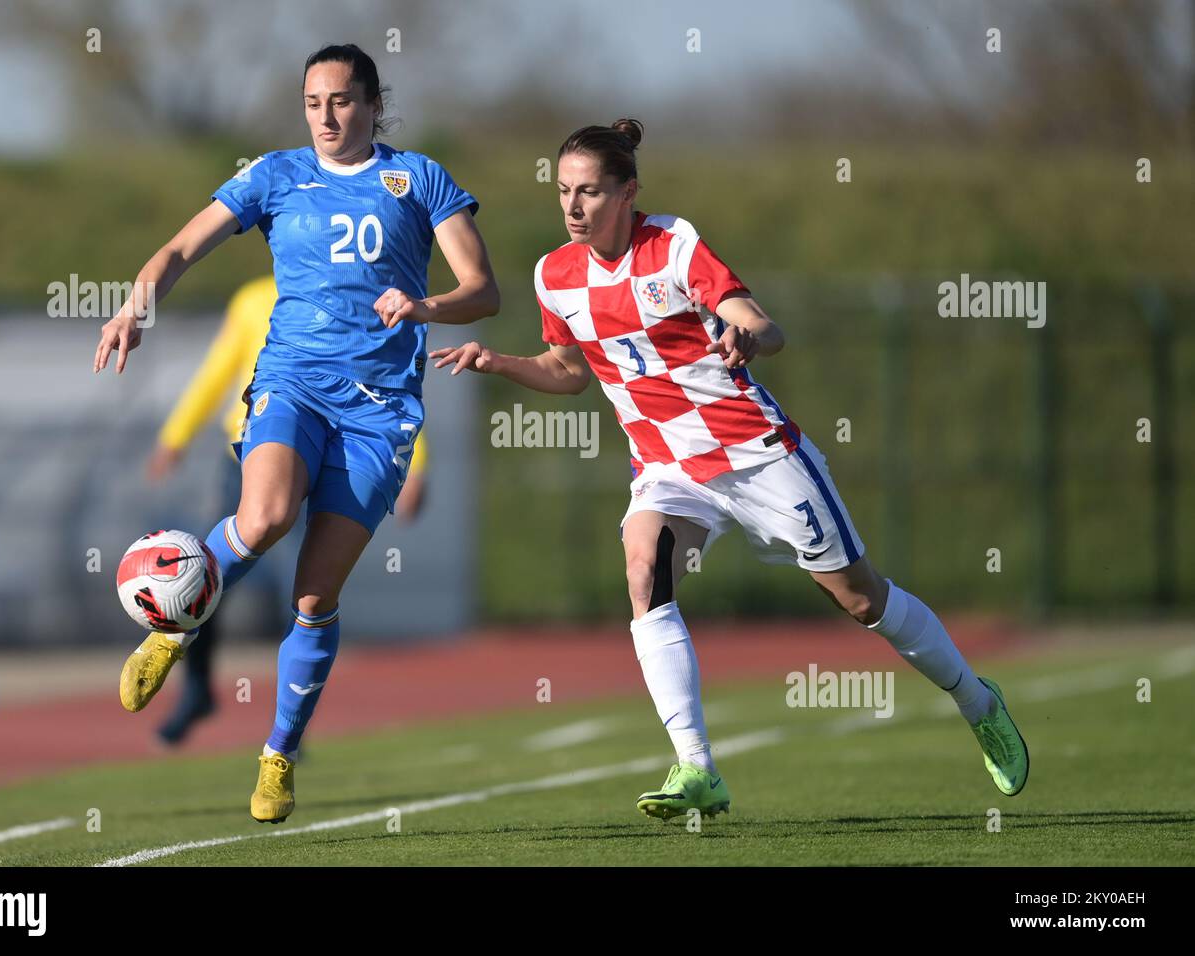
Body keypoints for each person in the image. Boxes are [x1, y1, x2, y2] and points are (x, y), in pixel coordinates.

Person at [432, 119, 1028, 820]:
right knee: (642, 569)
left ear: (627, 192)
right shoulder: (553, 274)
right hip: (667, 468)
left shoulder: (674, 246)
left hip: (756, 456)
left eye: (589, 191)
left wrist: (744, 335)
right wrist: (497, 363)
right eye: (563, 191)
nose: (572, 207)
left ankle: (976, 700)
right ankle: (697, 768)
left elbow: (762, 324)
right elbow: (568, 373)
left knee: (861, 599)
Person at [94, 44, 497, 823]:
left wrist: (424, 308)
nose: (325, 116)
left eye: (341, 101)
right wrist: (131, 308)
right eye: (313, 102)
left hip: (380, 410)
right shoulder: (275, 176)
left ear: (374, 104)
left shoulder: (419, 180)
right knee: (266, 516)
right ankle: (171, 624)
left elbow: (482, 290)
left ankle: (277, 755)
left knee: (315, 596)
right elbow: (180, 247)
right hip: (293, 380)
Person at [144, 275, 432, 746]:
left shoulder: (355, 292)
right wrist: (175, 436)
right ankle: (195, 689)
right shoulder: (252, 298)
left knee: (306, 591)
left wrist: (417, 461)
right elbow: (219, 370)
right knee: (205, 576)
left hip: (330, 454)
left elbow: (385, 386)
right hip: (248, 451)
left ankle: (289, 723)